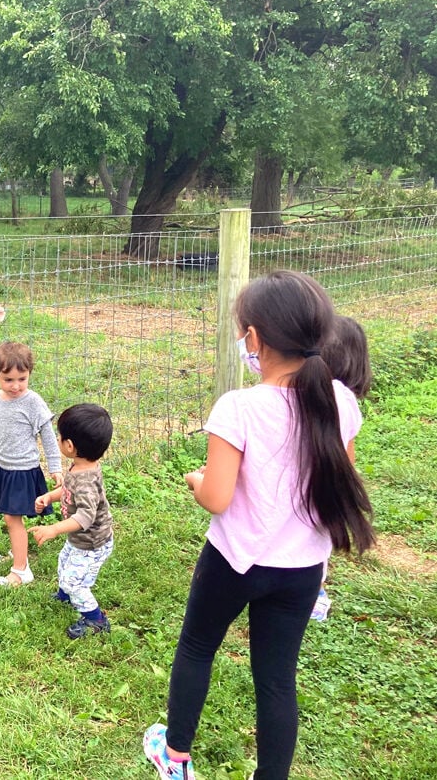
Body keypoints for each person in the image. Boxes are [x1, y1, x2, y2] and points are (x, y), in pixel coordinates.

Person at [143, 271, 375, 780]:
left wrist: (194, 478)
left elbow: (218, 497)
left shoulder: (239, 407)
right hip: (302, 569)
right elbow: (344, 479)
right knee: (276, 679)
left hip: (235, 560)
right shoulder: (342, 400)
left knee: (198, 646)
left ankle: (176, 757)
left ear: (253, 338)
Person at [0, 342, 63, 586]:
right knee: (10, 518)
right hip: (4, 469)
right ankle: (19, 551)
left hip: (23, 472)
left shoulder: (33, 402)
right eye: (8, 379)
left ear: (29, 374)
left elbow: (47, 436)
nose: (15, 386)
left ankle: (21, 571)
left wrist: (55, 467)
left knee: (12, 519)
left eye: (22, 379)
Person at [30, 403, 115, 637]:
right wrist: (50, 496)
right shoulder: (80, 466)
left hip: (92, 543)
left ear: (69, 445)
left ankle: (95, 620)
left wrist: (54, 529)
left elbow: (85, 517)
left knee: (76, 582)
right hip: (79, 540)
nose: (57, 440)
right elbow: (68, 490)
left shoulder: (86, 480)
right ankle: (65, 595)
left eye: (59, 436)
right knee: (64, 560)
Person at [311, 314, 373, 620]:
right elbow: (348, 460)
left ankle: (312, 593)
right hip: (326, 488)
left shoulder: (312, 393)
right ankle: (315, 592)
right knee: (317, 536)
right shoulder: (347, 401)